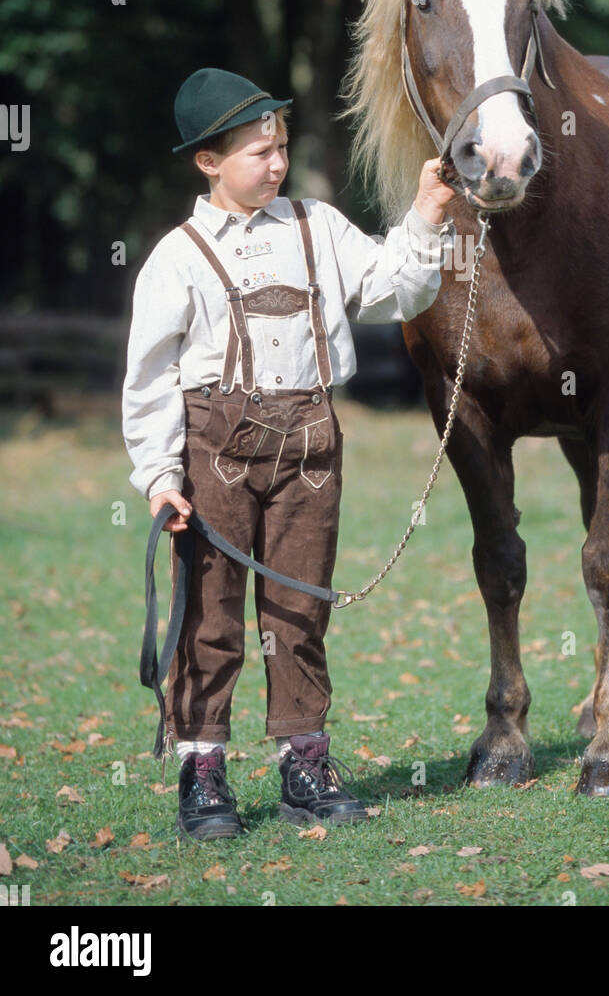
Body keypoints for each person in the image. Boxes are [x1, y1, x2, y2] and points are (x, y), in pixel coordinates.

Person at [122, 66, 456, 839]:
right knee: (209, 617)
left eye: (278, 147)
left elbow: (394, 292)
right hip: (215, 453)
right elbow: (147, 382)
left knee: (298, 608)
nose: (273, 164)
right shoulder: (176, 257)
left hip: (311, 447)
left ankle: (304, 763)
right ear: (207, 161)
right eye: (254, 153)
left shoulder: (318, 226)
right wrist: (158, 478)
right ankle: (202, 771)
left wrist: (427, 214)